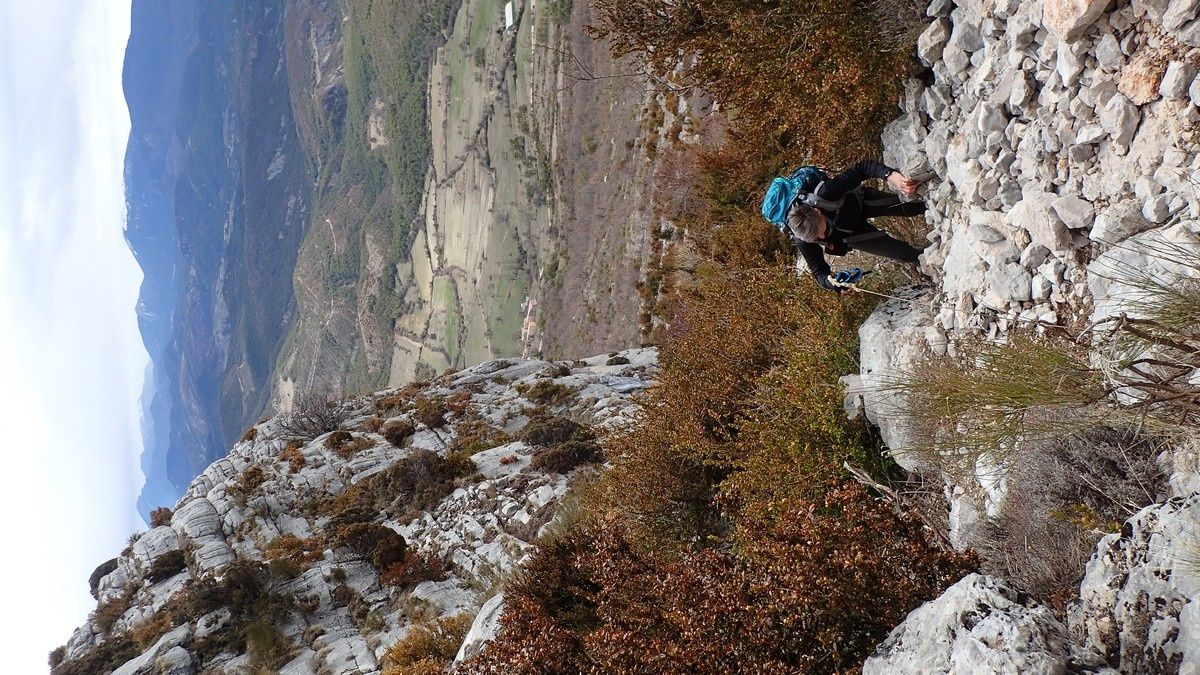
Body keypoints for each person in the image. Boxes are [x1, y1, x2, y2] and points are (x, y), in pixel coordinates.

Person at [782, 160, 926, 291]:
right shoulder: (803, 238)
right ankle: (929, 260)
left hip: (860, 203)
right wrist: (833, 283)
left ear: (817, 211)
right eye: (816, 238)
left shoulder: (826, 194)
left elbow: (861, 169)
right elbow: (820, 273)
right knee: (902, 253)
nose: (821, 236)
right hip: (849, 234)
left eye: (823, 230)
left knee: (913, 207)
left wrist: (891, 176)